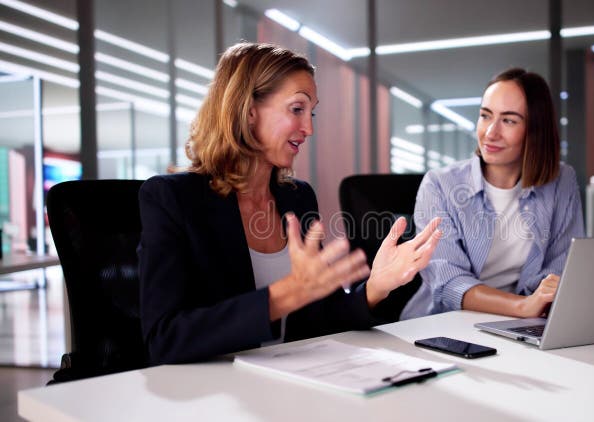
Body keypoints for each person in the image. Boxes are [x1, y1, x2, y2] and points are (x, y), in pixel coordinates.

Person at [138, 42, 441, 365]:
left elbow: (323, 317)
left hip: (294, 380)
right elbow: (164, 338)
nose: (308, 128)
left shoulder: (296, 196)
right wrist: (285, 295)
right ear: (248, 109)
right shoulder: (173, 198)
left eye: (310, 113)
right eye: (296, 109)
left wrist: (376, 286)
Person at [401, 68, 584, 320]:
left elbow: (560, 268)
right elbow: (448, 282)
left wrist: (536, 304)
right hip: (443, 324)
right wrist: (522, 307)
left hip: (524, 324)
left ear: (535, 130)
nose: (490, 133)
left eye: (509, 120)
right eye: (485, 116)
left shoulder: (561, 181)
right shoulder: (439, 185)